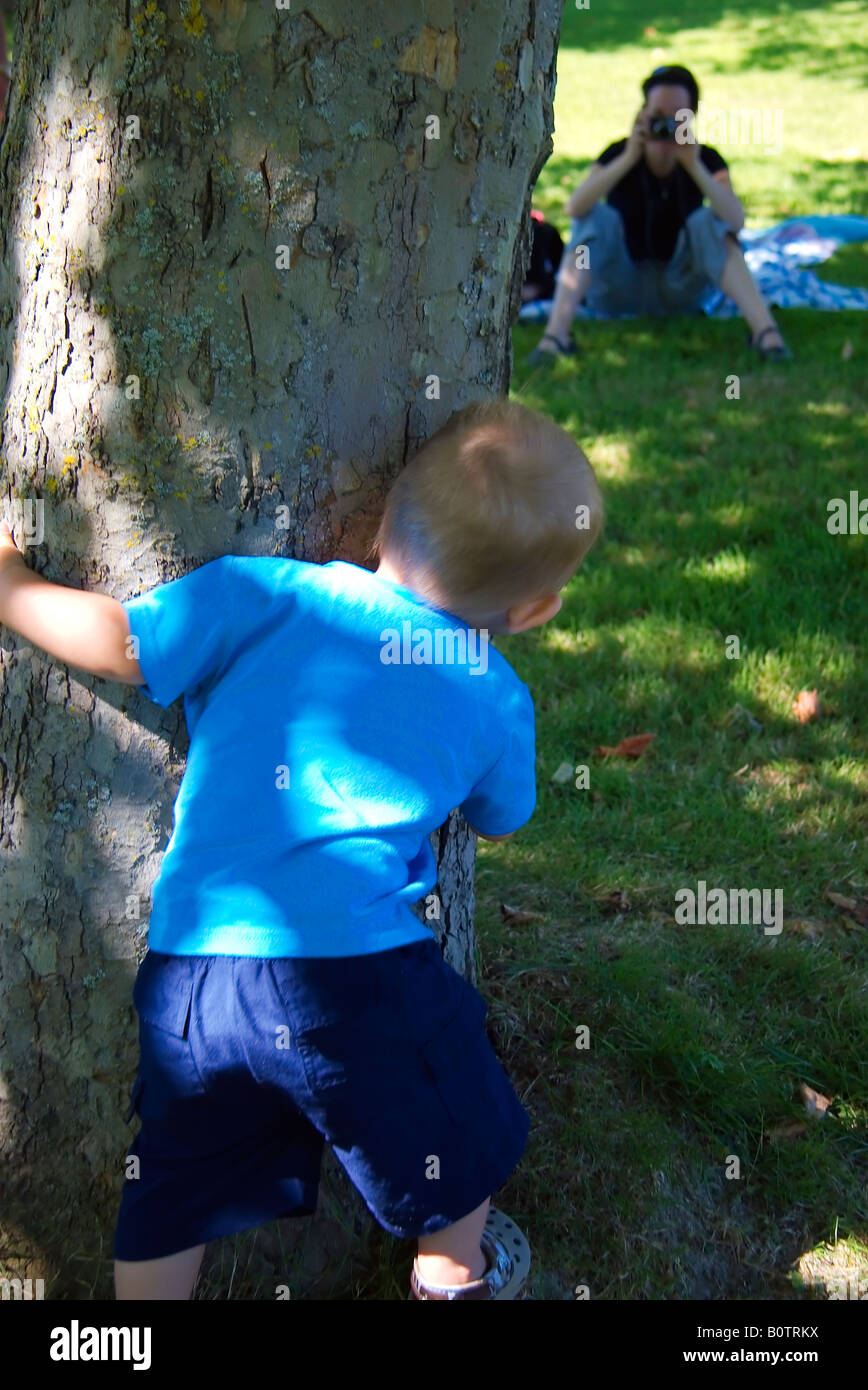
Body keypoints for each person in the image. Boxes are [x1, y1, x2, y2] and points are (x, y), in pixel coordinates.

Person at [0, 397, 604, 1302]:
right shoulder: (495, 695)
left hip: (196, 977)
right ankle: (454, 1276)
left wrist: (12, 589)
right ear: (535, 609)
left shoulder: (265, 594)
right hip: (355, 980)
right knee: (457, 1121)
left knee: (174, 1179)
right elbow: (500, 818)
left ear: (388, 507)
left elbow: (124, 643)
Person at [529, 65, 792, 363]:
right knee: (595, 218)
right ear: (643, 113)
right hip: (618, 289)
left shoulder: (704, 159)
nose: (666, 125)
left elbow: (735, 220)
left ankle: (767, 335)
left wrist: (693, 165)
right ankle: (556, 337)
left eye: (677, 116)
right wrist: (630, 156)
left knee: (711, 222)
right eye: (658, 114)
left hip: (681, 289)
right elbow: (576, 208)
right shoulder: (619, 153)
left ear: (691, 117)